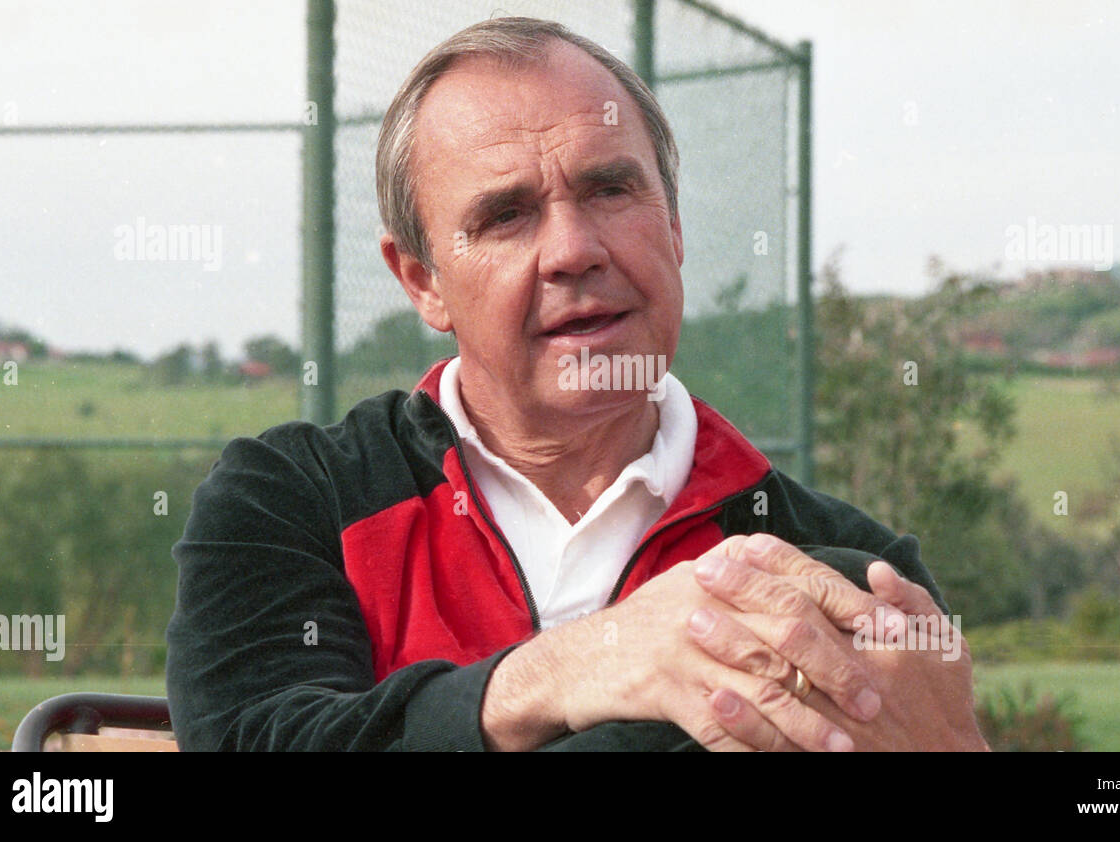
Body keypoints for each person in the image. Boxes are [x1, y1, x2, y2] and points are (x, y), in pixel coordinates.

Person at [165, 16, 987, 752]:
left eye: (610, 189)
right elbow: (254, 737)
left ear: (672, 224)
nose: (573, 250)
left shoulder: (850, 567)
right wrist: (579, 667)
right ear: (422, 281)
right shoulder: (291, 498)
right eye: (506, 215)